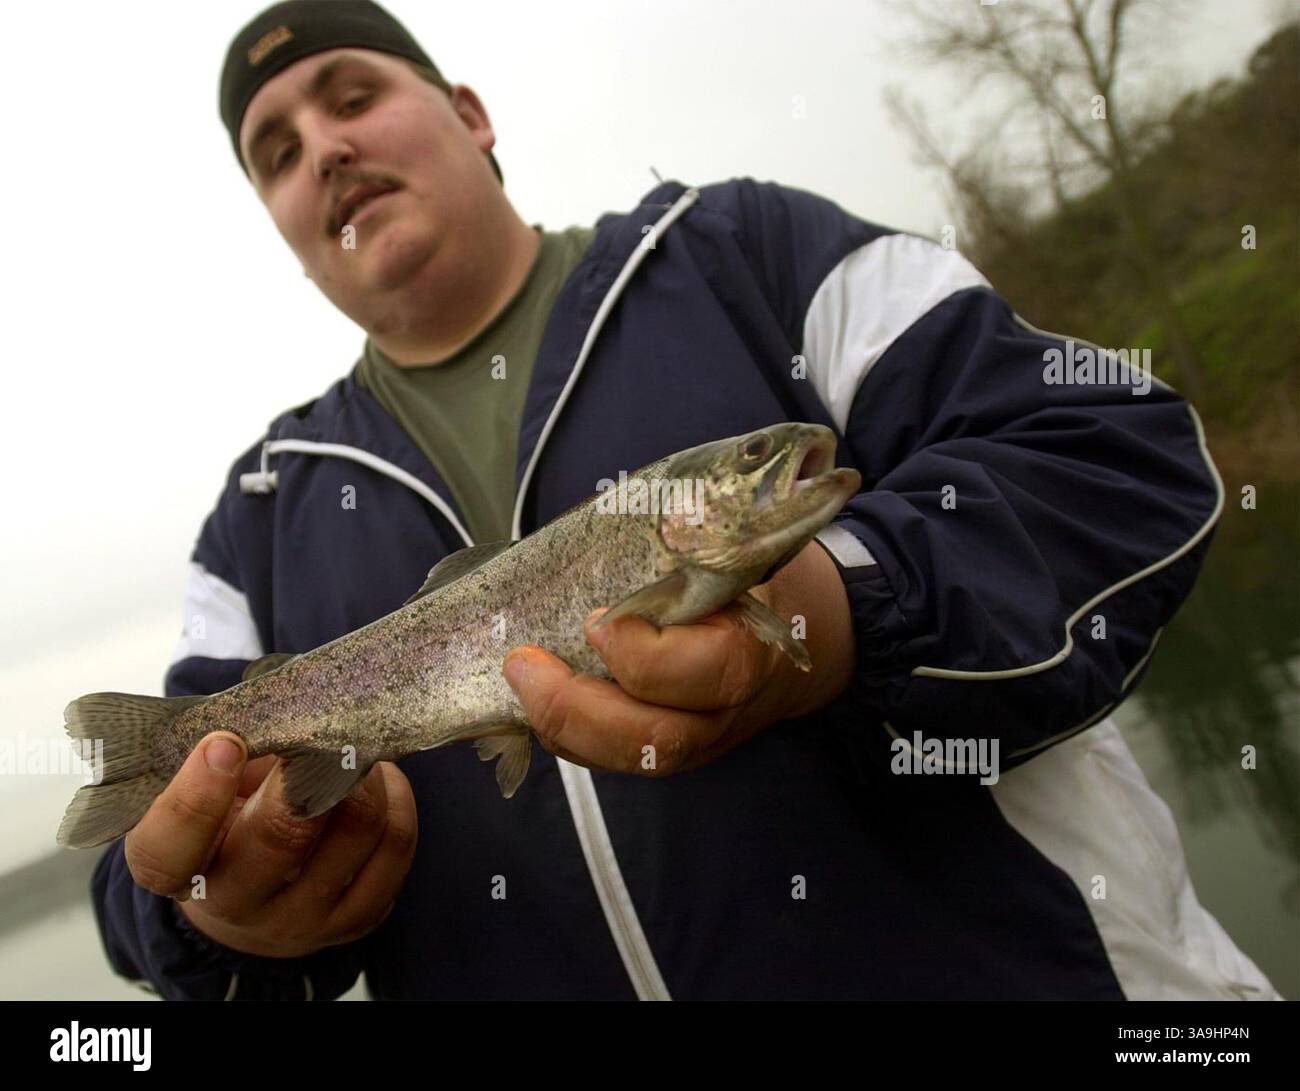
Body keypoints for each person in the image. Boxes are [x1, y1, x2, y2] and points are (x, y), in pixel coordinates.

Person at [90, 0, 1279, 1000]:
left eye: (349, 97)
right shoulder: (255, 514)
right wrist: (217, 913)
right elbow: (134, 896)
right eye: (278, 153)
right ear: (282, 228)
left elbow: (1118, 451)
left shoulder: (750, 255)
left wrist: (840, 610)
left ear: (469, 114)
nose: (324, 151)